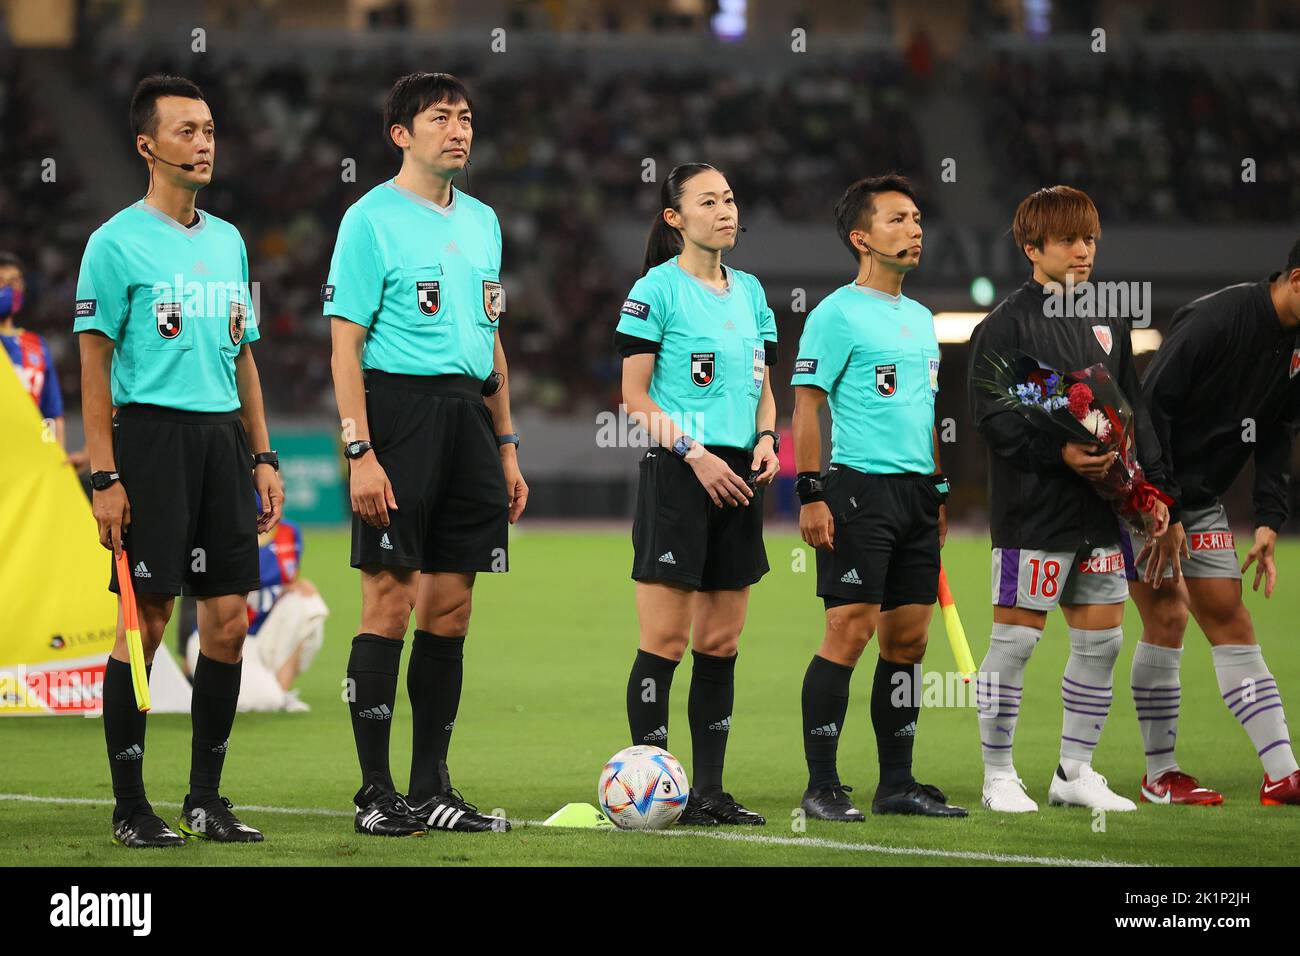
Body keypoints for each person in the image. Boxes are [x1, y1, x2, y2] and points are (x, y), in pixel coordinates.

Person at [75, 74, 284, 848]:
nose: (204, 143)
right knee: (147, 623)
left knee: (228, 621)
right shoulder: (113, 242)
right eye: (188, 131)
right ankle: (131, 807)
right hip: (152, 441)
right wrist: (105, 474)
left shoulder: (228, 240)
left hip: (222, 441)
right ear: (147, 145)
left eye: (209, 130)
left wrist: (261, 453)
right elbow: (93, 367)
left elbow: (244, 356)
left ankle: (207, 799)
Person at [326, 72, 525, 836]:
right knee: (389, 600)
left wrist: (506, 445)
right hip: (397, 413)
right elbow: (344, 344)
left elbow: (493, 340)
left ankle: (431, 786)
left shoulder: (484, 222)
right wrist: (359, 450)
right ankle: (376, 793)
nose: (459, 129)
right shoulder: (368, 218)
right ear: (400, 134)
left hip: (469, 417)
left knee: (452, 607)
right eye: (440, 117)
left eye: (467, 117)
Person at [967, 185, 1170, 813]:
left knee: (1102, 641)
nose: (1083, 251)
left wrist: (1153, 490)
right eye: (1068, 240)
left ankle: (1073, 771)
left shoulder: (1111, 319)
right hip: (1034, 514)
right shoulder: (1004, 325)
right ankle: (998, 775)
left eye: (1089, 239)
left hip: (1100, 514)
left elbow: (1132, 411)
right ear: (1033, 247)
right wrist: (1058, 453)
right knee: (1017, 643)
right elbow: (991, 418)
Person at [792, 173, 965, 821]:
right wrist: (811, 493)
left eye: (917, 218)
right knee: (849, 630)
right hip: (857, 490)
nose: (915, 229)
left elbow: (924, 414)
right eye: (897, 219)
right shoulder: (836, 313)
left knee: (909, 641)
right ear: (861, 237)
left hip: (917, 495)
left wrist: (939, 490)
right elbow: (806, 408)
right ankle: (822, 786)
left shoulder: (923, 320)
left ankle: (896, 784)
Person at [615, 163, 779, 826]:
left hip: (740, 471)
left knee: (722, 641)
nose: (726, 211)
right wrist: (696, 453)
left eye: (731, 199)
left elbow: (763, 383)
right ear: (675, 218)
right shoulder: (656, 291)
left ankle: (708, 792)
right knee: (666, 640)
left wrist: (769, 434)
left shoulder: (753, 292)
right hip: (681, 471)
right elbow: (632, 396)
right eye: (708, 201)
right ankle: (654, 786)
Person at [1123, 237, 1300, 806]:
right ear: (1296, 281)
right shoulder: (1216, 320)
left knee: (1229, 615)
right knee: (1169, 614)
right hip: (1143, 488)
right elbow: (1151, 407)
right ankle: (1159, 773)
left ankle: (1282, 775)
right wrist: (1162, 503)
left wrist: (1270, 518)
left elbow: (1278, 429)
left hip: (1199, 499)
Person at [184, 516, 327, 713]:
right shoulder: (221, 533)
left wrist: (295, 586)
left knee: (308, 603)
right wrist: (185, 658)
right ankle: (202, 683)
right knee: (259, 702)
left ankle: (282, 692)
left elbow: (289, 576)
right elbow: (193, 599)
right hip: (218, 638)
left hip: (260, 636)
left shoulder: (289, 531)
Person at [1, 251, 87, 470]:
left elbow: (52, 414)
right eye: (1, 282)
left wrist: (55, 460)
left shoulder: (36, 346)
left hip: (27, 459)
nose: (8, 288)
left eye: (14, 281)